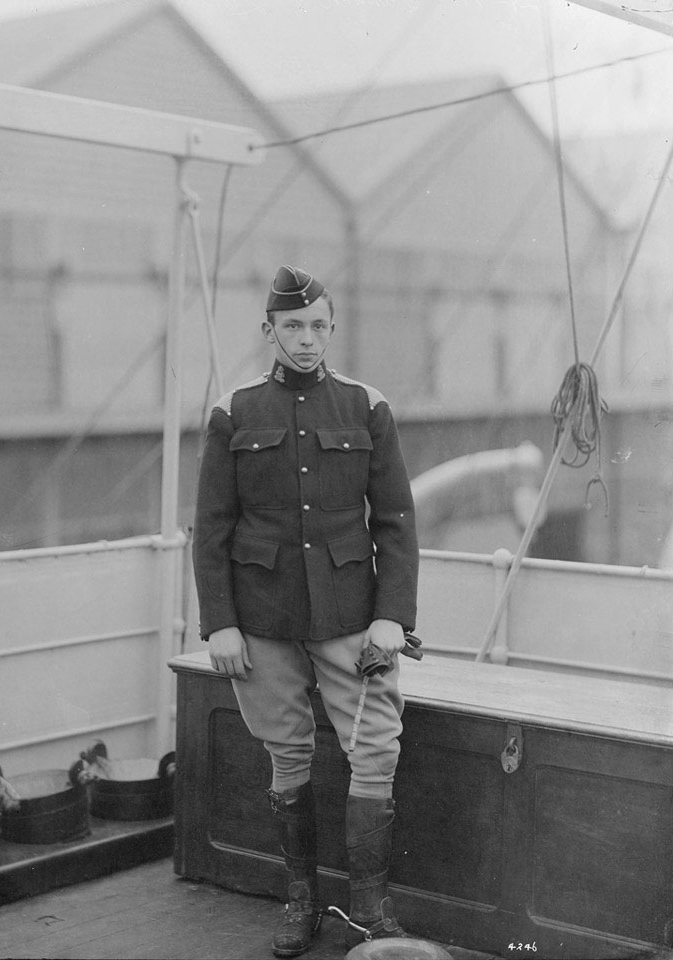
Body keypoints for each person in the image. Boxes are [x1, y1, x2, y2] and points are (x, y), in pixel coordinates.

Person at [192, 264, 420, 957]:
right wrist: (220, 623)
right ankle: (300, 900)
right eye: (292, 326)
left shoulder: (365, 407)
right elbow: (212, 529)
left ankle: (371, 909)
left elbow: (396, 523)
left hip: (353, 617)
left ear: (330, 328)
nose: (307, 339)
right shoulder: (233, 412)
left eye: (318, 325)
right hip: (261, 619)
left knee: (375, 747)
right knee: (286, 754)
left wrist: (392, 615)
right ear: (268, 331)